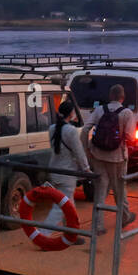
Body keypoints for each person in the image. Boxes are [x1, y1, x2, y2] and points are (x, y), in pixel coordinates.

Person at [85, 86, 138, 233]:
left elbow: (85, 129)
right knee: (119, 189)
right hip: (117, 157)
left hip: (98, 155)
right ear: (123, 97)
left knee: (100, 190)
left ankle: (98, 225)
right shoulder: (127, 113)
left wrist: (87, 149)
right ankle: (125, 217)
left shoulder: (99, 110)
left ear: (110, 95)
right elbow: (130, 137)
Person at [46, 98, 90, 234]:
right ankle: (42, 234)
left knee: (68, 204)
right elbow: (79, 152)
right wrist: (86, 169)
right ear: (71, 114)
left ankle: (71, 233)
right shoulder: (71, 131)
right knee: (61, 207)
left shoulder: (52, 128)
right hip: (67, 173)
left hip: (54, 171)